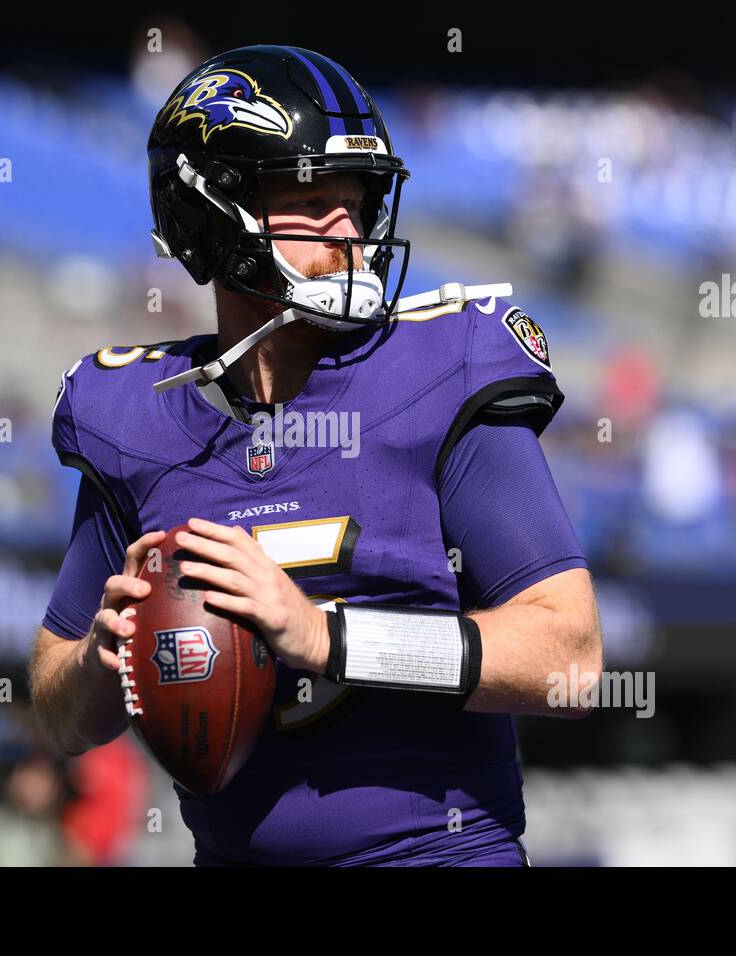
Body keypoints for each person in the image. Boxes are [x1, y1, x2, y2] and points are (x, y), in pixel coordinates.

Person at [30, 45, 601, 867]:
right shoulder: (136, 419)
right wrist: (101, 659)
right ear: (212, 213)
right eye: (310, 199)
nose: (349, 232)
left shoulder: (443, 370)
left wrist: (328, 637)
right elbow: (58, 713)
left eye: (356, 201)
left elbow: (571, 660)